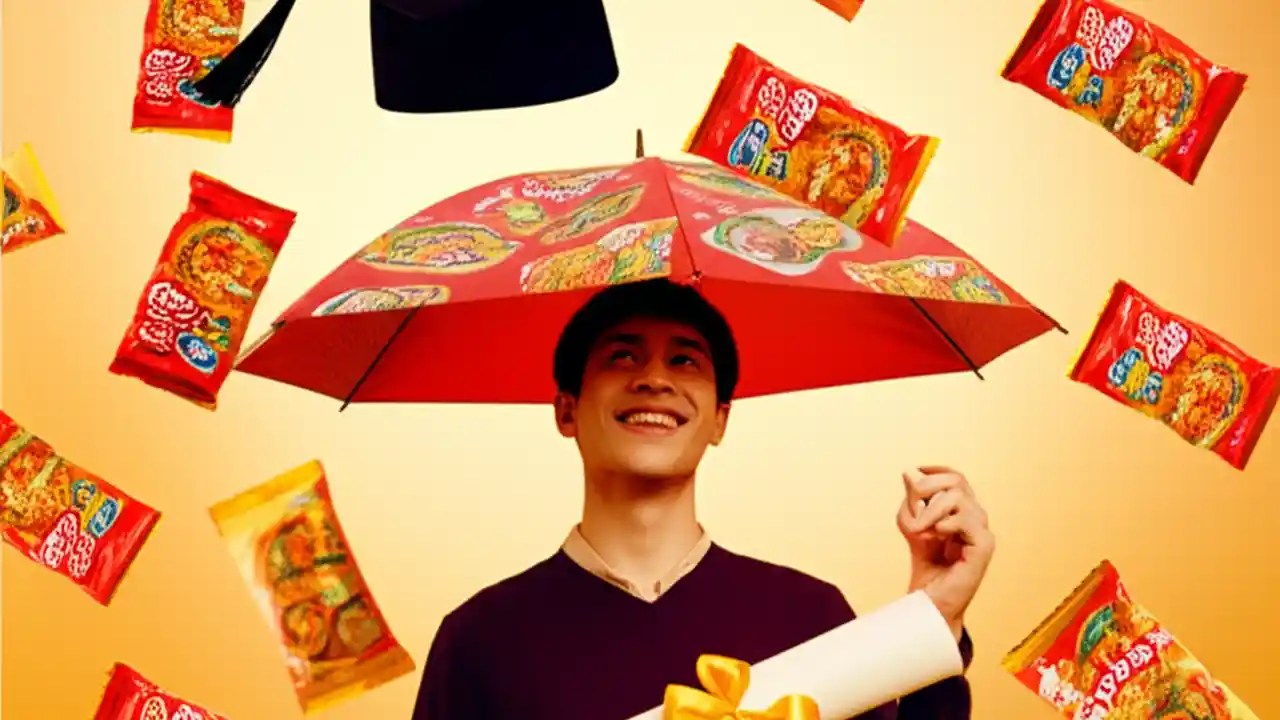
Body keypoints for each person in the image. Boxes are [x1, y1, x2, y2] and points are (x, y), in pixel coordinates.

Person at [410, 278, 995, 719]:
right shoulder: (479, 640)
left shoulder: (810, 616)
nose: (655, 379)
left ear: (720, 419)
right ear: (567, 410)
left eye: (685, 359)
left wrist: (933, 619)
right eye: (623, 355)